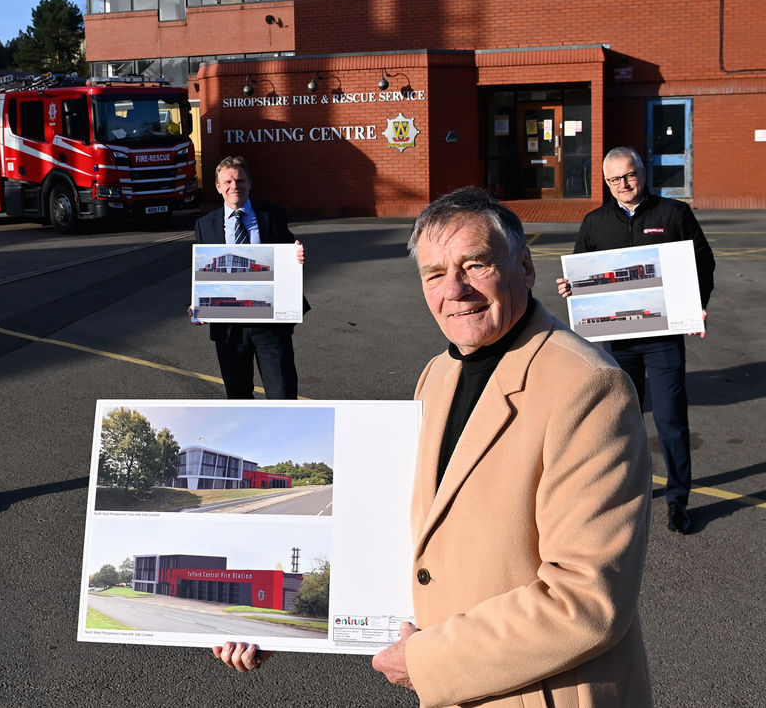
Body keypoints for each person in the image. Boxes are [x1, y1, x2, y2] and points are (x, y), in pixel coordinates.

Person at [217, 187, 653, 708]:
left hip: (541, 693)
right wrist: (288, 626)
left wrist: (427, 661)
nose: (455, 289)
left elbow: (586, 600)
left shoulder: (587, 386)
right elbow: (409, 537)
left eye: (475, 265)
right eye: (434, 273)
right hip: (466, 686)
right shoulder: (438, 375)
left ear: (525, 267)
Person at [556, 146, 715, 535]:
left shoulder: (673, 214)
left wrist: (696, 305)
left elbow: (703, 263)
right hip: (618, 340)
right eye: (614, 180)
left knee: (671, 421)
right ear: (605, 183)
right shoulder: (595, 222)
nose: (623, 185)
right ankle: (623, 492)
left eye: (629, 176)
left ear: (642, 173)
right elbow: (582, 269)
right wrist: (570, 288)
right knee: (619, 421)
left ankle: (678, 499)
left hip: (662, 338)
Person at [193, 156, 305, 399]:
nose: (235, 186)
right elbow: (204, 269)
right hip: (229, 327)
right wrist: (197, 304)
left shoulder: (273, 215)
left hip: (271, 323)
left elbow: (289, 256)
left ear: (249, 183)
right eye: (228, 181)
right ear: (218, 186)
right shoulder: (205, 225)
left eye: (240, 180)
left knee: (283, 395)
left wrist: (296, 256)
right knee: (238, 398)